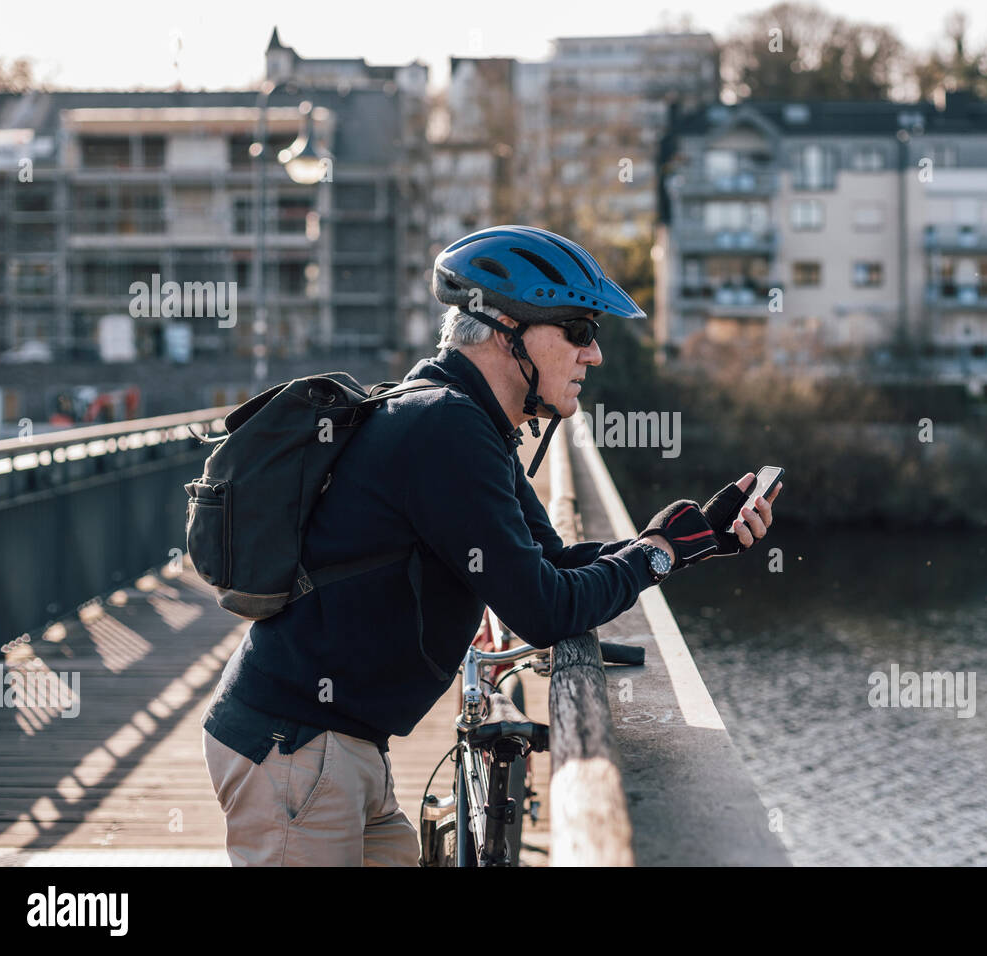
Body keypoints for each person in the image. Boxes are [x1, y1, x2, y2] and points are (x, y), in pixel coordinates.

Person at [200, 225, 782, 866]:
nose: (594, 356)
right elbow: (543, 608)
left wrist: (694, 537)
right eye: (580, 332)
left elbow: (550, 565)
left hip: (337, 745)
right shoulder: (446, 429)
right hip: (297, 750)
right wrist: (656, 554)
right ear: (509, 331)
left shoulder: (462, 419)